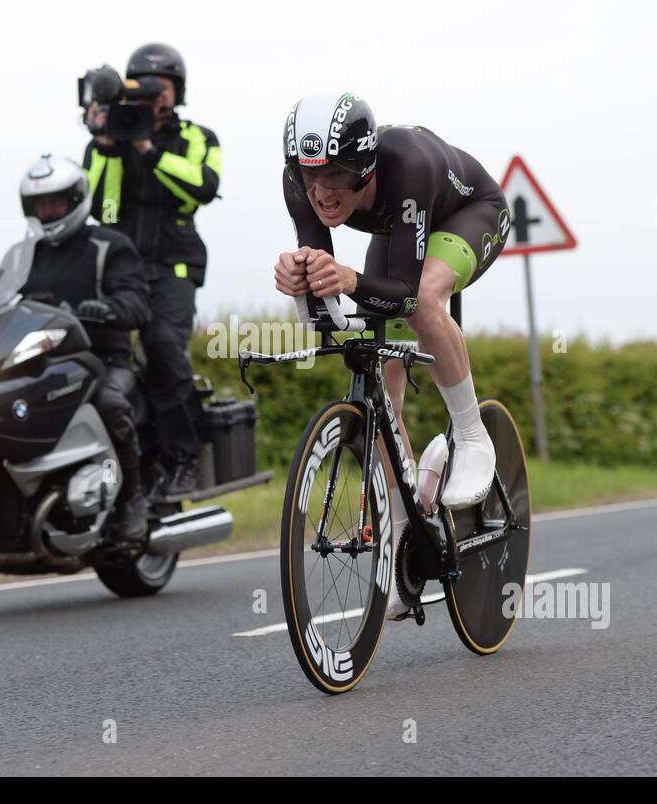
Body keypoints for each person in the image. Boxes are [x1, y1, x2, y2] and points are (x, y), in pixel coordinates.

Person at [274, 92, 512, 510]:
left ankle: (473, 436)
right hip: (397, 229)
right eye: (309, 174)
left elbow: (404, 296)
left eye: (336, 174)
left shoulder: (407, 163)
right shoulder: (299, 182)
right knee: (381, 368)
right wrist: (300, 280)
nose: (321, 191)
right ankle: (404, 510)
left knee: (423, 298)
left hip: (470, 212)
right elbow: (321, 281)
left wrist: (349, 280)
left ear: (365, 170)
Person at [81, 43, 221, 498]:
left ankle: (184, 458)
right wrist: (106, 144)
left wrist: (146, 148)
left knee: (163, 348)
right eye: (143, 87)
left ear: (177, 91)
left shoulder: (200, 138)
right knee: (101, 359)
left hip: (173, 267)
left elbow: (200, 188)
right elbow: (99, 206)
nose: (153, 96)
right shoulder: (109, 141)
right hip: (119, 270)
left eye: (162, 87)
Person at [18, 153, 152, 542]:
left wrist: (108, 308)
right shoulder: (24, 255)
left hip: (102, 360)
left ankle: (133, 500)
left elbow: (139, 303)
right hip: (38, 363)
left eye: (55, 202)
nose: (47, 210)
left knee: (110, 404)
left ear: (76, 200)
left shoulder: (108, 246)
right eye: (40, 204)